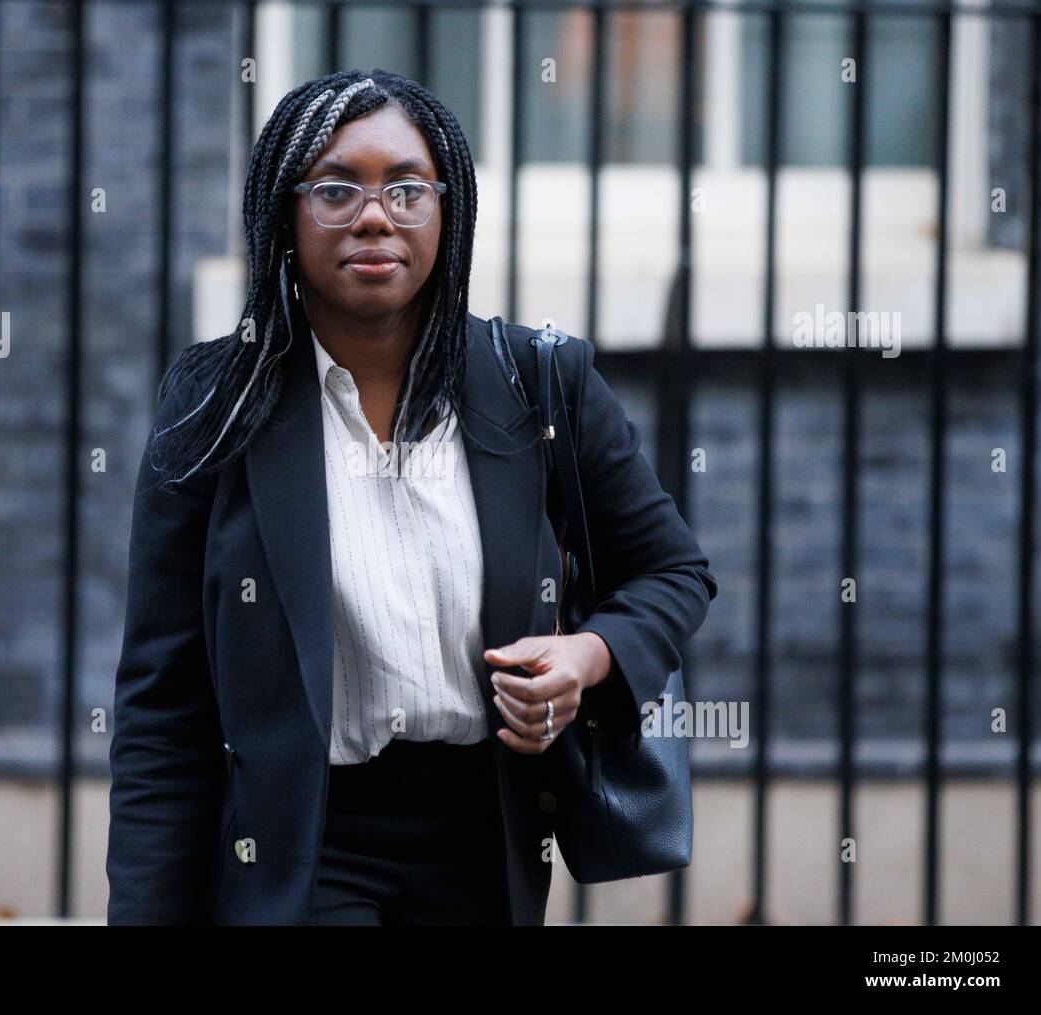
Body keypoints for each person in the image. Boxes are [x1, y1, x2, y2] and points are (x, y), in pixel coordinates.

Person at [106, 68, 717, 926]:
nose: (373, 214)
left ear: (445, 208)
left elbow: (671, 570)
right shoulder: (215, 405)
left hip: (487, 834)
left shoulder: (541, 383)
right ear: (284, 215)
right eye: (335, 188)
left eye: (405, 188)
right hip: (304, 847)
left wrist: (589, 656)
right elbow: (162, 711)